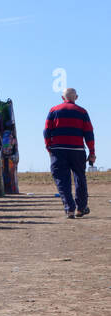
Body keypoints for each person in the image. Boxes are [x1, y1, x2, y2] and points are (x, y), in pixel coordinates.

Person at [45, 87, 95, 219]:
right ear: (76, 98)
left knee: (62, 179)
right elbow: (89, 134)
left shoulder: (54, 110)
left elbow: (46, 131)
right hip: (77, 150)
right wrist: (92, 152)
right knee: (80, 178)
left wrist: (48, 146)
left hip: (58, 150)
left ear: (63, 98)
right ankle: (81, 208)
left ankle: (70, 209)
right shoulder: (82, 112)